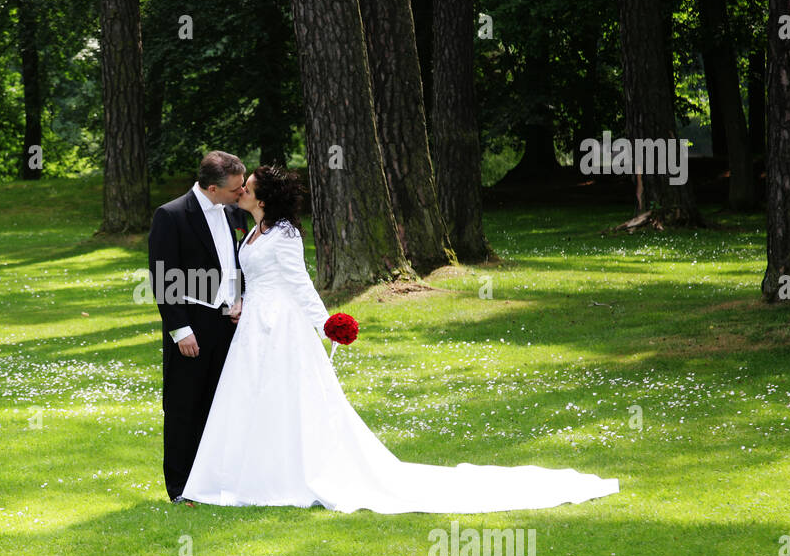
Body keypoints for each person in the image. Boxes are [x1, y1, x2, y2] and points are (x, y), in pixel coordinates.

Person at [180, 165, 620, 513]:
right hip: (254, 324)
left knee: (287, 398)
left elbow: (299, 283)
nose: (242, 191)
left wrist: (327, 323)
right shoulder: (252, 230)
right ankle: (243, 476)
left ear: (263, 196)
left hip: (283, 327)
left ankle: (289, 476)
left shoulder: (285, 235)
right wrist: (239, 304)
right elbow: (252, 276)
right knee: (249, 399)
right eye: (243, 187)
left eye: (248, 187)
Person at [147, 150, 251, 503]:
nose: (242, 193)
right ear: (211, 187)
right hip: (192, 325)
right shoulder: (171, 215)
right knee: (183, 407)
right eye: (236, 188)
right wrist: (180, 330)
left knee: (222, 403)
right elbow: (163, 278)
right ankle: (181, 488)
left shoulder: (236, 213)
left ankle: (218, 481)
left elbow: (239, 263)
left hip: (228, 324)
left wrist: (240, 299)